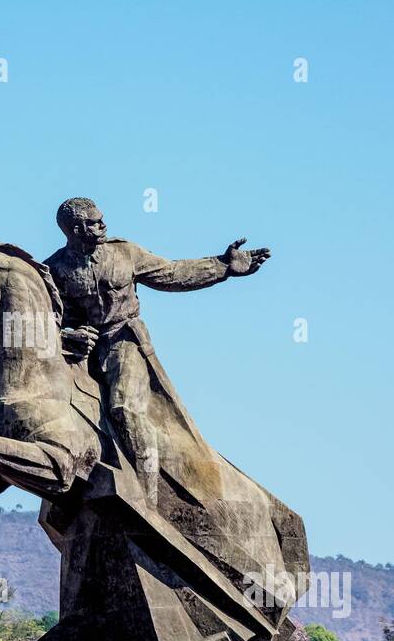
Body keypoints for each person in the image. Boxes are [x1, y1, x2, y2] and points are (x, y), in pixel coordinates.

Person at [44, 197, 270, 502]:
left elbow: (173, 273)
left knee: (124, 409)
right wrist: (67, 337)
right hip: (81, 356)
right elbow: (45, 323)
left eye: (101, 218)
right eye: (95, 222)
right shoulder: (54, 269)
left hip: (124, 343)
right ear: (76, 229)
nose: (103, 224)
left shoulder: (124, 253)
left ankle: (146, 500)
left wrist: (223, 266)